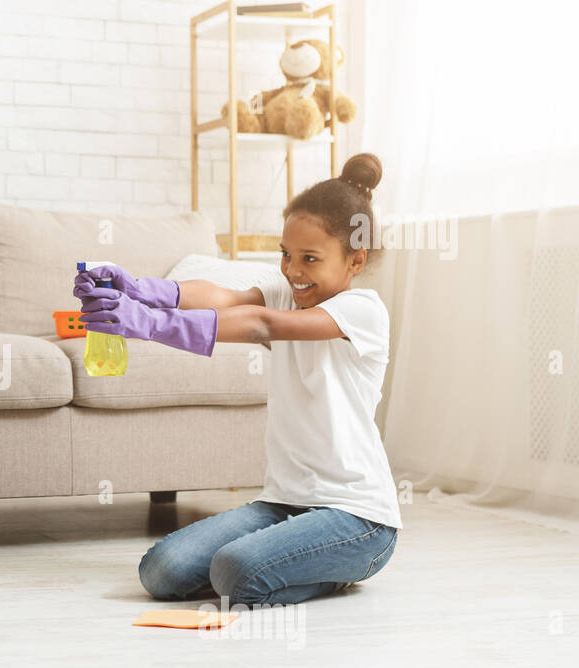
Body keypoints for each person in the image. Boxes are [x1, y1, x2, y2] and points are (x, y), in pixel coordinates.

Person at [75, 153, 401, 606]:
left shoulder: (362, 311)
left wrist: (149, 324)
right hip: (283, 503)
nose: (293, 270)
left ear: (355, 261)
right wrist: (141, 290)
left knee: (236, 572)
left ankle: (332, 567)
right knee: (161, 570)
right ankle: (284, 561)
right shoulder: (286, 290)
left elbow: (261, 325)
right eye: (286, 254)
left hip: (357, 518)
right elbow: (222, 296)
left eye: (310, 258)